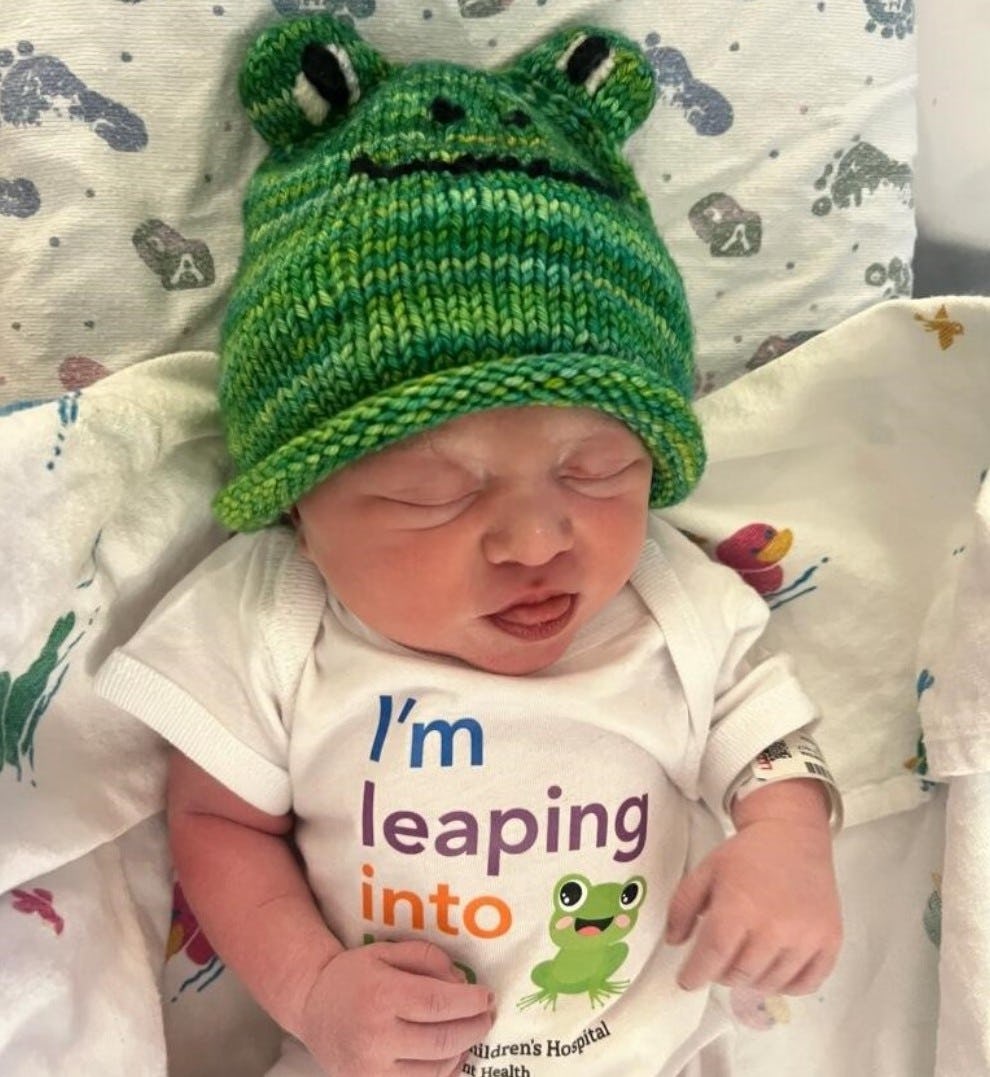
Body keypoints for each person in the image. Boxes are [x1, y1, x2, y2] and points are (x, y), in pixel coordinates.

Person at [96, 14, 842, 1076]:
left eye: (598, 471)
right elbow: (218, 826)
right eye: (431, 492)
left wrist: (787, 840)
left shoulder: (671, 595)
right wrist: (312, 988)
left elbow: (771, 740)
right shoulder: (272, 615)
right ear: (300, 506)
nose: (538, 540)